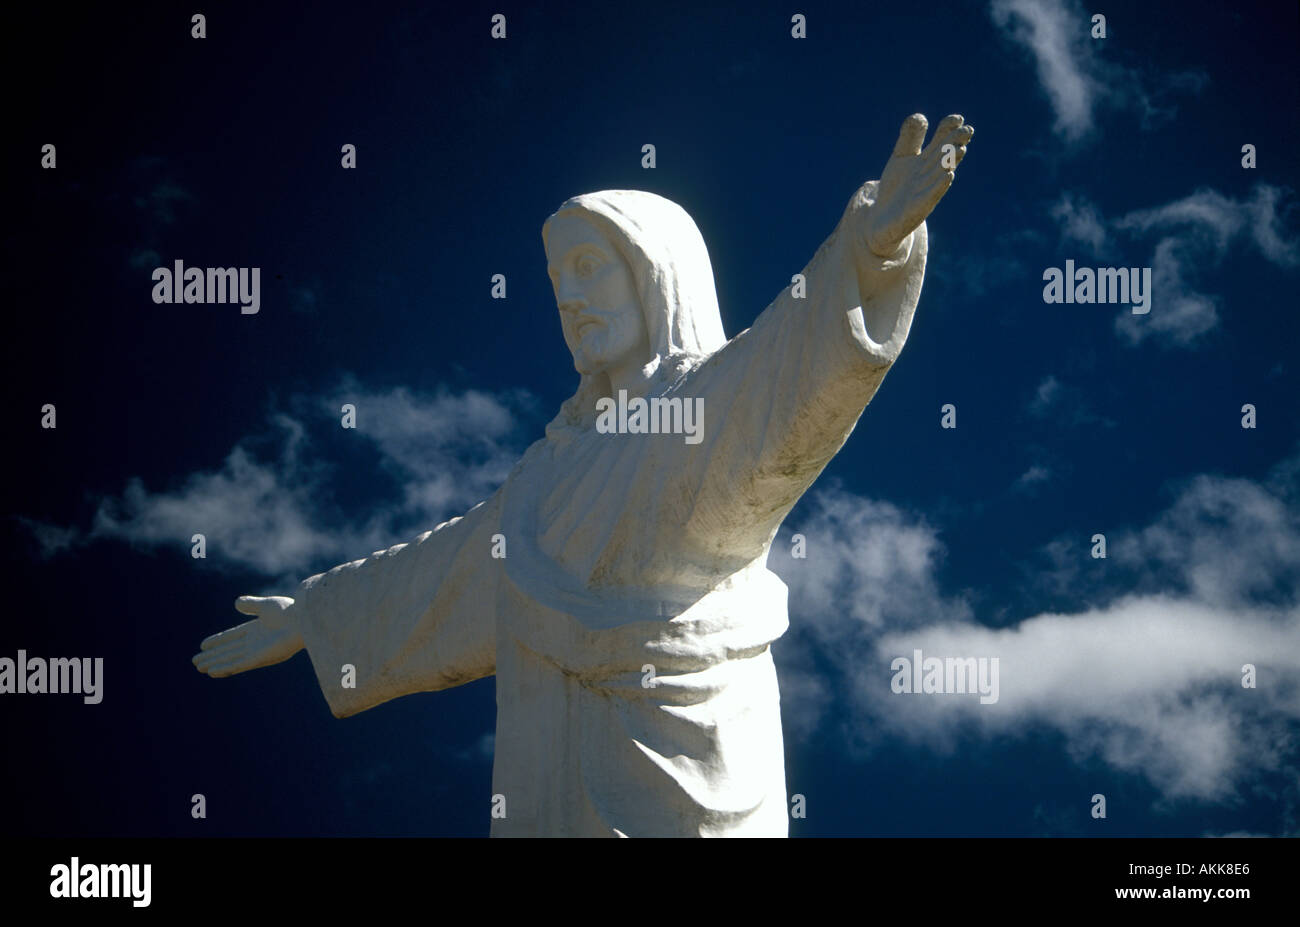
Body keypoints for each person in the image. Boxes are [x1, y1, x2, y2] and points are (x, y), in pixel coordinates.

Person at [194, 113, 975, 836]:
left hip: (685, 778)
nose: (568, 296)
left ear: (654, 272)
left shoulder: (701, 409)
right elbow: (448, 569)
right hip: (549, 782)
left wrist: (867, 254)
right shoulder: (547, 476)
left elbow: (790, 369)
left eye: (588, 266)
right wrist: (320, 615)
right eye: (556, 277)